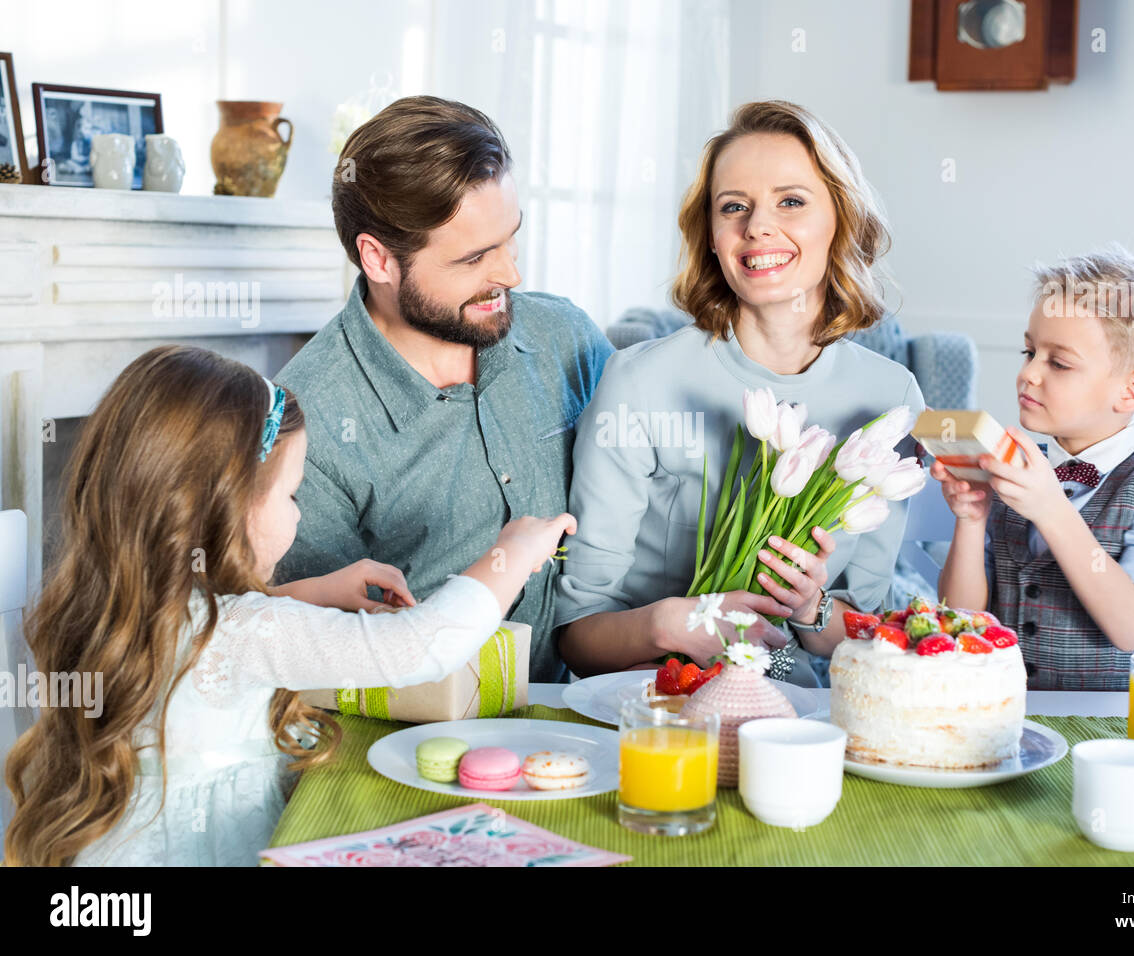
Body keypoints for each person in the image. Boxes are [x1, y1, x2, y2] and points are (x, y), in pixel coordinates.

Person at [2, 345, 573, 866]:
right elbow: (420, 646)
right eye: (291, 494)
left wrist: (309, 591)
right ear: (230, 505)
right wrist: (511, 555)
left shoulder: (117, 609)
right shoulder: (247, 631)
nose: (299, 515)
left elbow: (209, 642)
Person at [556, 101, 925, 686]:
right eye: (734, 207)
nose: (757, 226)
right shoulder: (640, 383)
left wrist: (811, 608)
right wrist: (669, 625)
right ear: (712, 236)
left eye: (791, 201)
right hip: (659, 702)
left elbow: (866, 627)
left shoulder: (889, 396)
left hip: (805, 712)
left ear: (842, 220)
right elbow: (576, 636)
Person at [275, 96, 613, 682]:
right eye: (475, 257)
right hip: (409, 743)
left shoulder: (566, 339)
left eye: (510, 239)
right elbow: (326, 657)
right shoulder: (307, 419)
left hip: (585, 716)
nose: (511, 274)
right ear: (378, 259)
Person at [933, 247, 1134, 690]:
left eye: (1059, 363)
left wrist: (1051, 509)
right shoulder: (1017, 468)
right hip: (1006, 718)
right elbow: (960, 623)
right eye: (1029, 352)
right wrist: (971, 521)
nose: (1029, 374)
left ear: (1132, 391)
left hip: (1116, 731)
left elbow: (1133, 628)